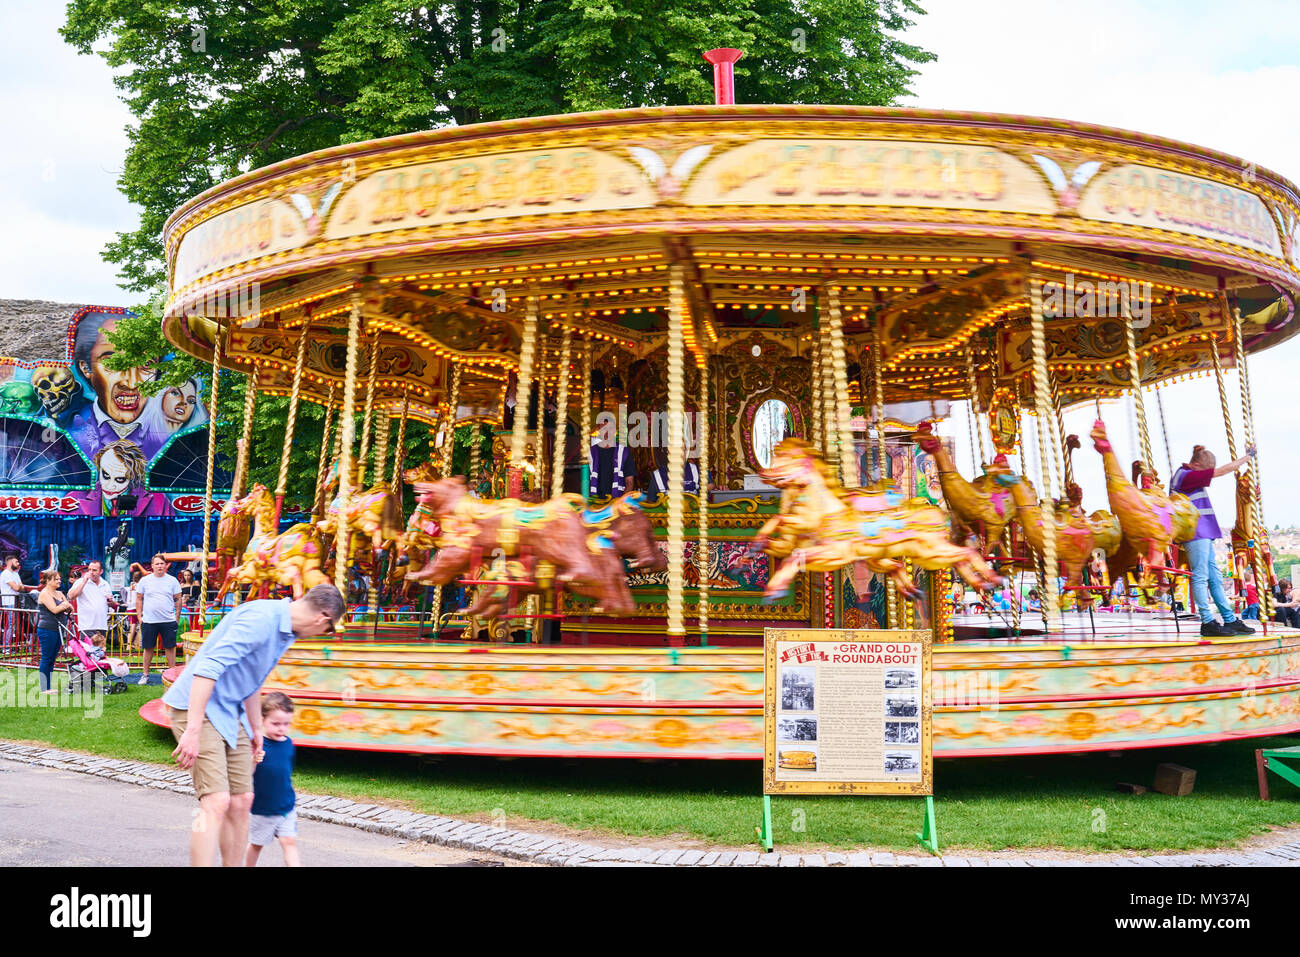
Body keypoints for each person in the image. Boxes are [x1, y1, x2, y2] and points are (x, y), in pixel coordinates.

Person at [162, 584, 343, 867]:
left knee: (242, 799)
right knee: (217, 801)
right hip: (196, 707)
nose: (323, 635)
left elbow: (251, 680)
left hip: (229, 711)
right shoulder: (262, 620)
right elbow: (206, 669)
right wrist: (193, 730)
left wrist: (256, 729)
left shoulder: (285, 632)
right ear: (323, 618)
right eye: (329, 630)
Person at [1171, 444, 1256, 637]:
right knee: (1200, 576)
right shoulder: (1186, 476)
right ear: (1197, 464)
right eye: (1205, 471)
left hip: (1202, 532)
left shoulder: (1187, 475)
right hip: (1195, 532)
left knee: (1215, 577)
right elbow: (1221, 471)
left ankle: (1229, 618)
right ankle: (1207, 621)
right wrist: (1247, 457)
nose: (1207, 475)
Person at [245, 692, 300, 867]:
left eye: (286, 724)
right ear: (262, 720)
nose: (281, 728)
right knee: (256, 845)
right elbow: (246, 774)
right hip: (262, 809)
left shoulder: (288, 743)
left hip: (285, 806)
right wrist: (253, 760)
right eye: (275, 724)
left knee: (288, 842)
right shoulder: (257, 745)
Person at [136, 553, 183, 684]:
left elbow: (178, 599)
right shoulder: (145, 580)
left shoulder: (172, 580)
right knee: (148, 648)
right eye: (157, 564)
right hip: (149, 621)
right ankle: (145, 674)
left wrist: (176, 617)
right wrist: (140, 617)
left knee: (170, 647)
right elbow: (139, 599)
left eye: (162, 563)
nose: (160, 566)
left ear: (165, 565)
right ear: (152, 566)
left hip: (168, 620)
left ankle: (172, 674)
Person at [35, 569, 72, 694]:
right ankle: (44, 688)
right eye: (56, 579)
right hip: (47, 629)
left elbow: (68, 609)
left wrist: (65, 605)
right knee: (46, 657)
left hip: (58, 629)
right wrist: (65, 604)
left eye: (59, 579)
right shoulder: (45, 593)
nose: (59, 581)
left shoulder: (59, 593)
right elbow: (55, 609)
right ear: (48, 580)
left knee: (52, 658)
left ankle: (48, 687)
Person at [67, 558, 116, 643]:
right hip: (87, 625)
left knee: (100, 653)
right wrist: (84, 581)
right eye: (89, 570)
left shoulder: (105, 584)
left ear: (101, 572)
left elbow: (110, 604)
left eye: (94, 570)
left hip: (102, 625)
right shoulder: (80, 581)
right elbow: (71, 596)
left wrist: (111, 602)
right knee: (88, 653)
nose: (91, 572)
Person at [1, 553, 29, 648]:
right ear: (10, 562)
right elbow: (17, 588)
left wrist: (19, 587)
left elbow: (22, 587)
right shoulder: (5, 574)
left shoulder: (15, 574)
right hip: (9, 602)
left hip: (17, 600)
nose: (18, 563)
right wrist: (19, 587)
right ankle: (6, 647)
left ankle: (13, 645)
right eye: (16, 561)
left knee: (16, 624)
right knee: (9, 624)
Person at [125, 568, 143, 649]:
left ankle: (130, 645)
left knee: (133, 626)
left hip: (130, 607)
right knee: (139, 626)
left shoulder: (131, 585)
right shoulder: (139, 586)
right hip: (136, 607)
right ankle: (134, 644)